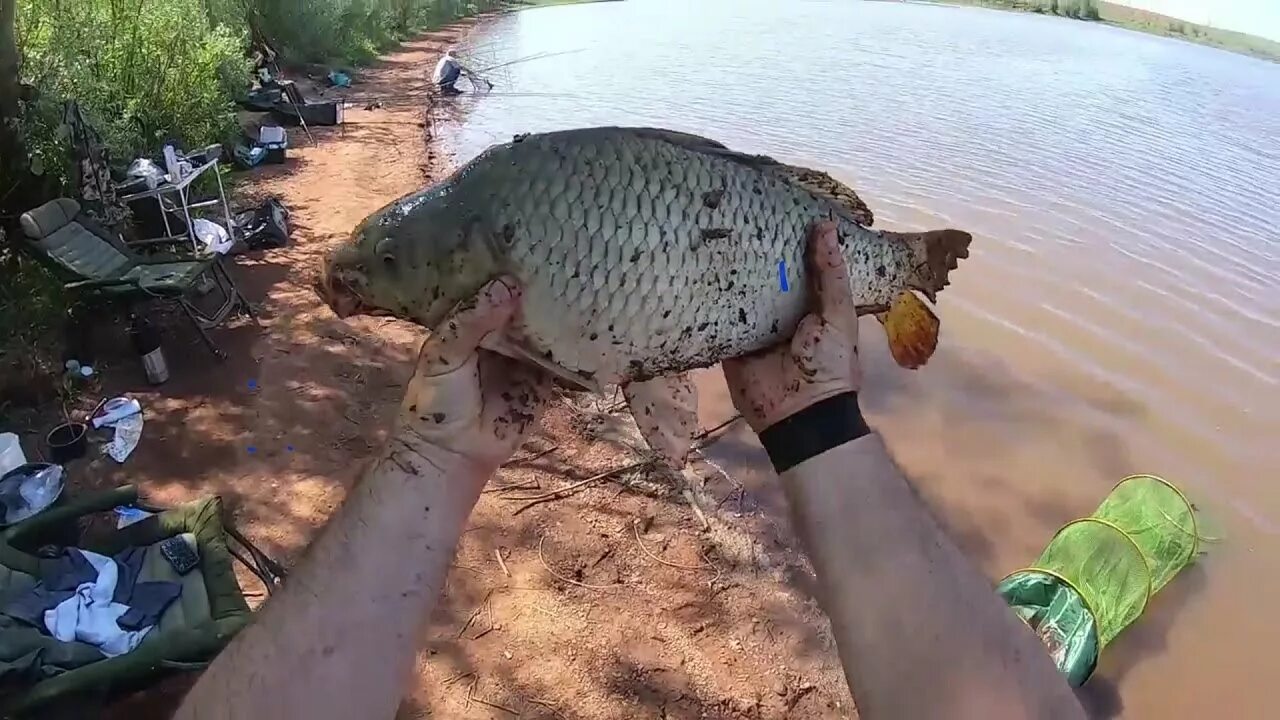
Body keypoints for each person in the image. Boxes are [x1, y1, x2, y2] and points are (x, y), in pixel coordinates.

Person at [174, 222, 1085, 719]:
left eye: (386, 266)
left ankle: (885, 269)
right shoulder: (493, 208)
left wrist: (820, 416)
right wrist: (435, 446)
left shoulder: (500, 209)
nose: (362, 283)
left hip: (766, 270)